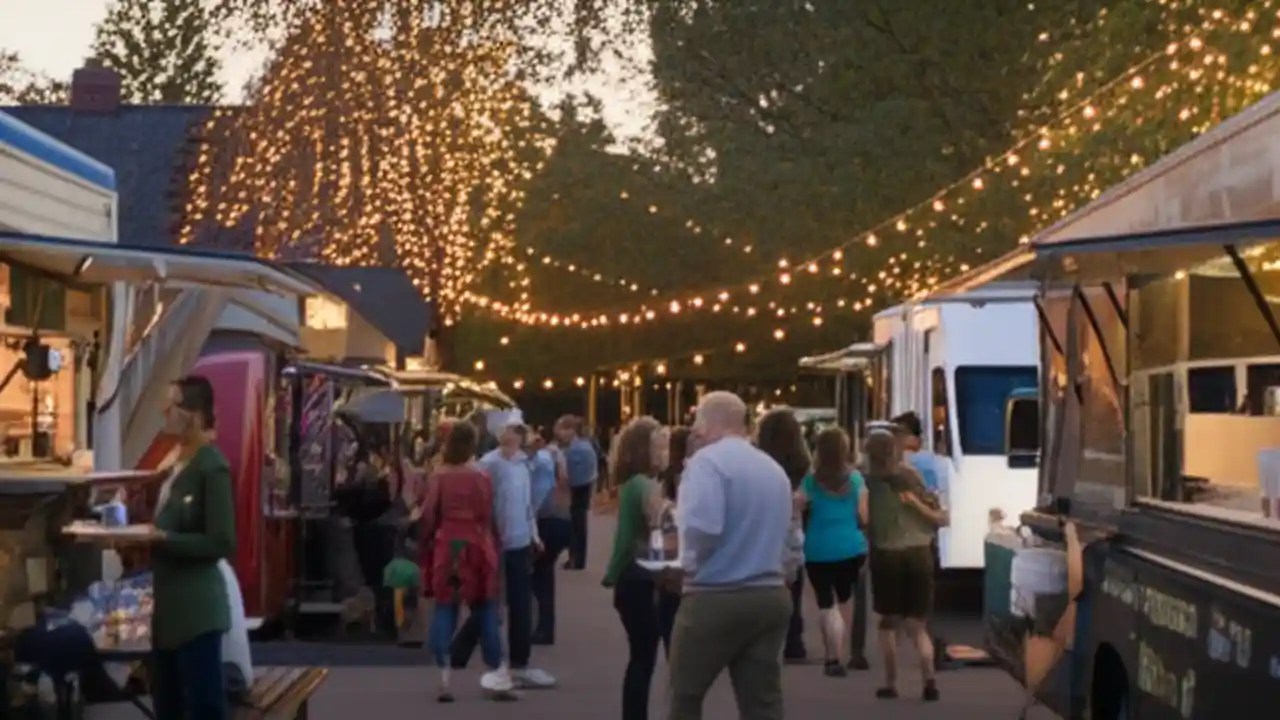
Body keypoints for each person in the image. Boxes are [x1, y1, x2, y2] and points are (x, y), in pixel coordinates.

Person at [667, 392, 795, 720]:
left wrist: (686, 565)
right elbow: (791, 535)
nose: (694, 431)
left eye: (697, 422)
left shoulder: (707, 464)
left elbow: (702, 527)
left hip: (715, 593)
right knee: (763, 701)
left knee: (685, 694)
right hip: (769, 592)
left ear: (710, 423)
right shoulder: (774, 470)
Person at [150, 376, 236, 720]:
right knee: (167, 705)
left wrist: (165, 540)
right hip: (167, 609)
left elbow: (221, 541)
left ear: (195, 414)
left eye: (173, 404)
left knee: (203, 705)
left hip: (196, 610)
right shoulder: (173, 460)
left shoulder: (210, 466)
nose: (165, 411)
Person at [452, 413, 557, 690]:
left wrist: (534, 535)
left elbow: (526, 505)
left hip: (520, 543)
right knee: (489, 601)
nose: (512, 436)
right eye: (507, 430)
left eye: (517, 430)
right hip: (494, 544)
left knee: (521, 604)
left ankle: (520, 663)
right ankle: (460, 650)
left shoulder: (524, 464)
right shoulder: (488, 465)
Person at [420, 421, 512, 701]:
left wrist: (427, 541)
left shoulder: (439, 476)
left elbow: (428, 515)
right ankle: (497, 674)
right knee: (485, 609)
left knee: (445, 608)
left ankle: (444, 678)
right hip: (477, 545)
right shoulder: (480, 476)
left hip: (448, 545)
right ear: (473, 445)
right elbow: (487, 515)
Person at [864, 429, 948, 702]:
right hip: (919, 553)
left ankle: (890, 683)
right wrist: (914, 504)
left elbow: (863, 519)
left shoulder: (866, 480)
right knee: (917, 625)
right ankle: (930, 681)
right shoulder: (911, 477)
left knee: (888, 624)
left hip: (885, 554)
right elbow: (941, 517)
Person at [603, 417, 673, 720]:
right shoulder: (647, 487)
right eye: (659, 447)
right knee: (646, 657)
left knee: (640, 657)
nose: (665, 453)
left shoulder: (631, 484)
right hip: (643, 578)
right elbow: (658, 529)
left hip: (629, 579)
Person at [798, 427, 869, 677]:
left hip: (817, 548)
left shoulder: (809, 481)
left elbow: (797, 508)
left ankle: (831, 655)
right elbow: (863, 516)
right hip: (850, 546)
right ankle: (842, 652)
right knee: (845, 599)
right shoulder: (856, 479)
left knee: (825, 604)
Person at [754, 408, 813, 664]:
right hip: (792, 529)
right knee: (794, 586)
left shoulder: (758, 463)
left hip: (762, 530)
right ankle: (793, 639)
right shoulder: (803, 467)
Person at [530, 430, 572, 645]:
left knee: (538, 577)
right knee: (545, 575)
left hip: (546, 521)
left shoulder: (539, 462)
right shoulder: (556, 455)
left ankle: (542, 627)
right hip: (563, 518)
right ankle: (545, 627)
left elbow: (536, 498)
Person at [656, 426, 691, 653]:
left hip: (668, 544)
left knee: (669, 608)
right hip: (683, 542)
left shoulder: (667, 474)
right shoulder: (690, 473)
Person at [556, 415, 599, 570]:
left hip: (578, 489)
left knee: (577, 524)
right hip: (583, 487)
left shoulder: (577, 448)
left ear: (571, 430)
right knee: (578, 524)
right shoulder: (584, 446)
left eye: (562, 430)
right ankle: (576, 557)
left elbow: (572, 472)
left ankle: (576, 558)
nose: (559, 434)